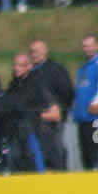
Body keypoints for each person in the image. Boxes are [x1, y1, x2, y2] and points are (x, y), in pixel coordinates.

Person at [29, 39, 71, 170]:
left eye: (37, 51)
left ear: (45, 51)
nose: (34, 54)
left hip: (55, 122)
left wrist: (61, 111)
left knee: (56, 153)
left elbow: (68, 92)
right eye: (32, 52)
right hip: (38, 121)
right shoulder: (32, 73)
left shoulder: (56, 69)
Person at [74, 35, 98, 170]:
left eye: (89, 45)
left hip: (96, 119)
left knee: (97, 153)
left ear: (97, 46)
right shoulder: (83, 67)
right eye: (84, 46)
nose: (86, 49)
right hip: (82, 118)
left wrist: (96, 103)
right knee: (85, 156)